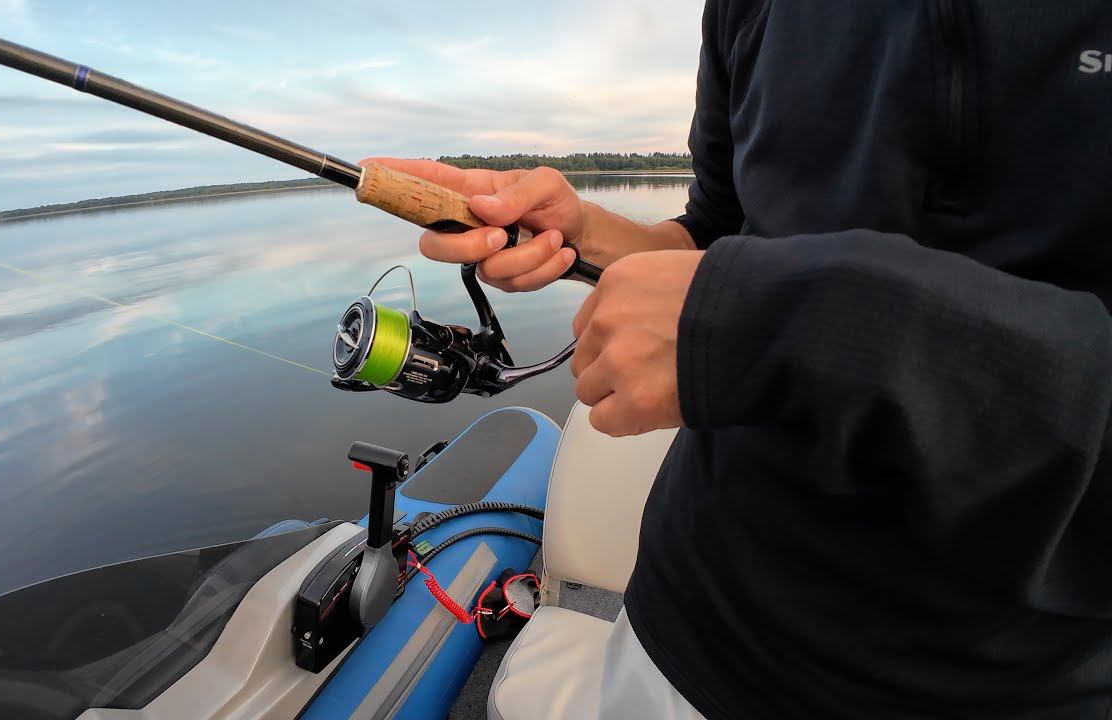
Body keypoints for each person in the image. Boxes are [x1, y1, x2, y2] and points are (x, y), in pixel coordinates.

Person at [374, 0, 1112, 717]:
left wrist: (785, 321)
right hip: (680, 626)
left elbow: (752, 297)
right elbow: (718, 229)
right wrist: (583, 234)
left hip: (1000, 682)